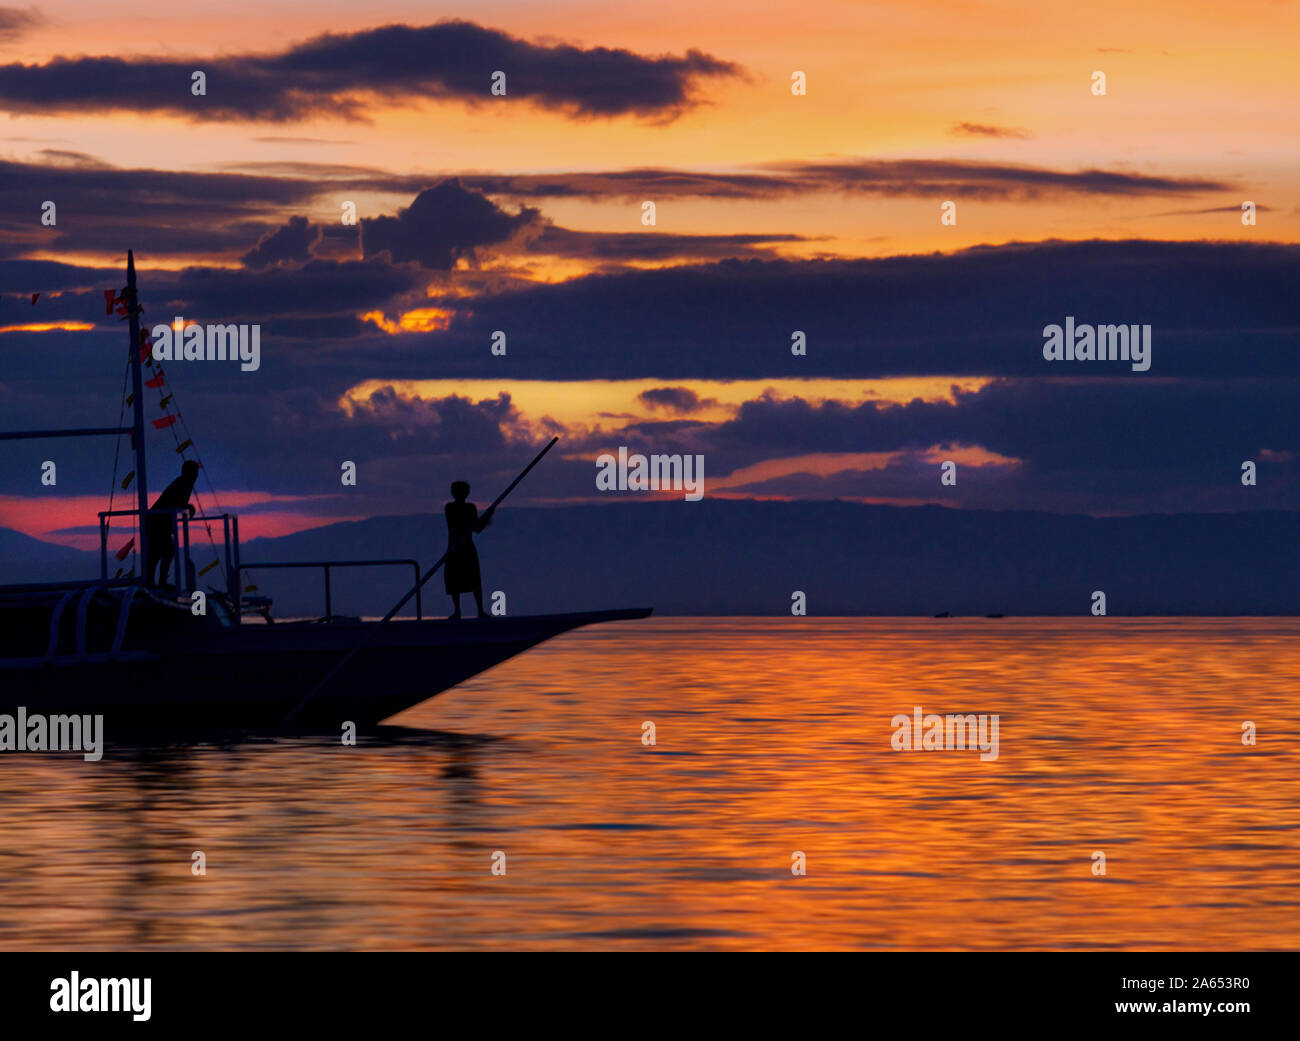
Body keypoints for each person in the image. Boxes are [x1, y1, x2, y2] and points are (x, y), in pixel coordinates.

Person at [145, 460, 199, 587]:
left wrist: (186, 506)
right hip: (156, 522)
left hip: (161, 523)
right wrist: (188, 507)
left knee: (163, 552)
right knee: (164, 551)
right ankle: (156, 582)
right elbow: (175, 500)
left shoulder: (185, 483)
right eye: (194, 472)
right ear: (187, 472)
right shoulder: (182, 483)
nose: (196, 475)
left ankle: (155, 582)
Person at [444, 481, 494, 618]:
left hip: (467, 547)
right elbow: (462, 525)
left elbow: (477, 529)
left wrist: (488, 515)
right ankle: (457, 611)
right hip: (455, 547)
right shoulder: (449, 508)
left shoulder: (471, 507)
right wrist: (482, 520)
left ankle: (480, 610)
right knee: (454, 579)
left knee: (474, 579)